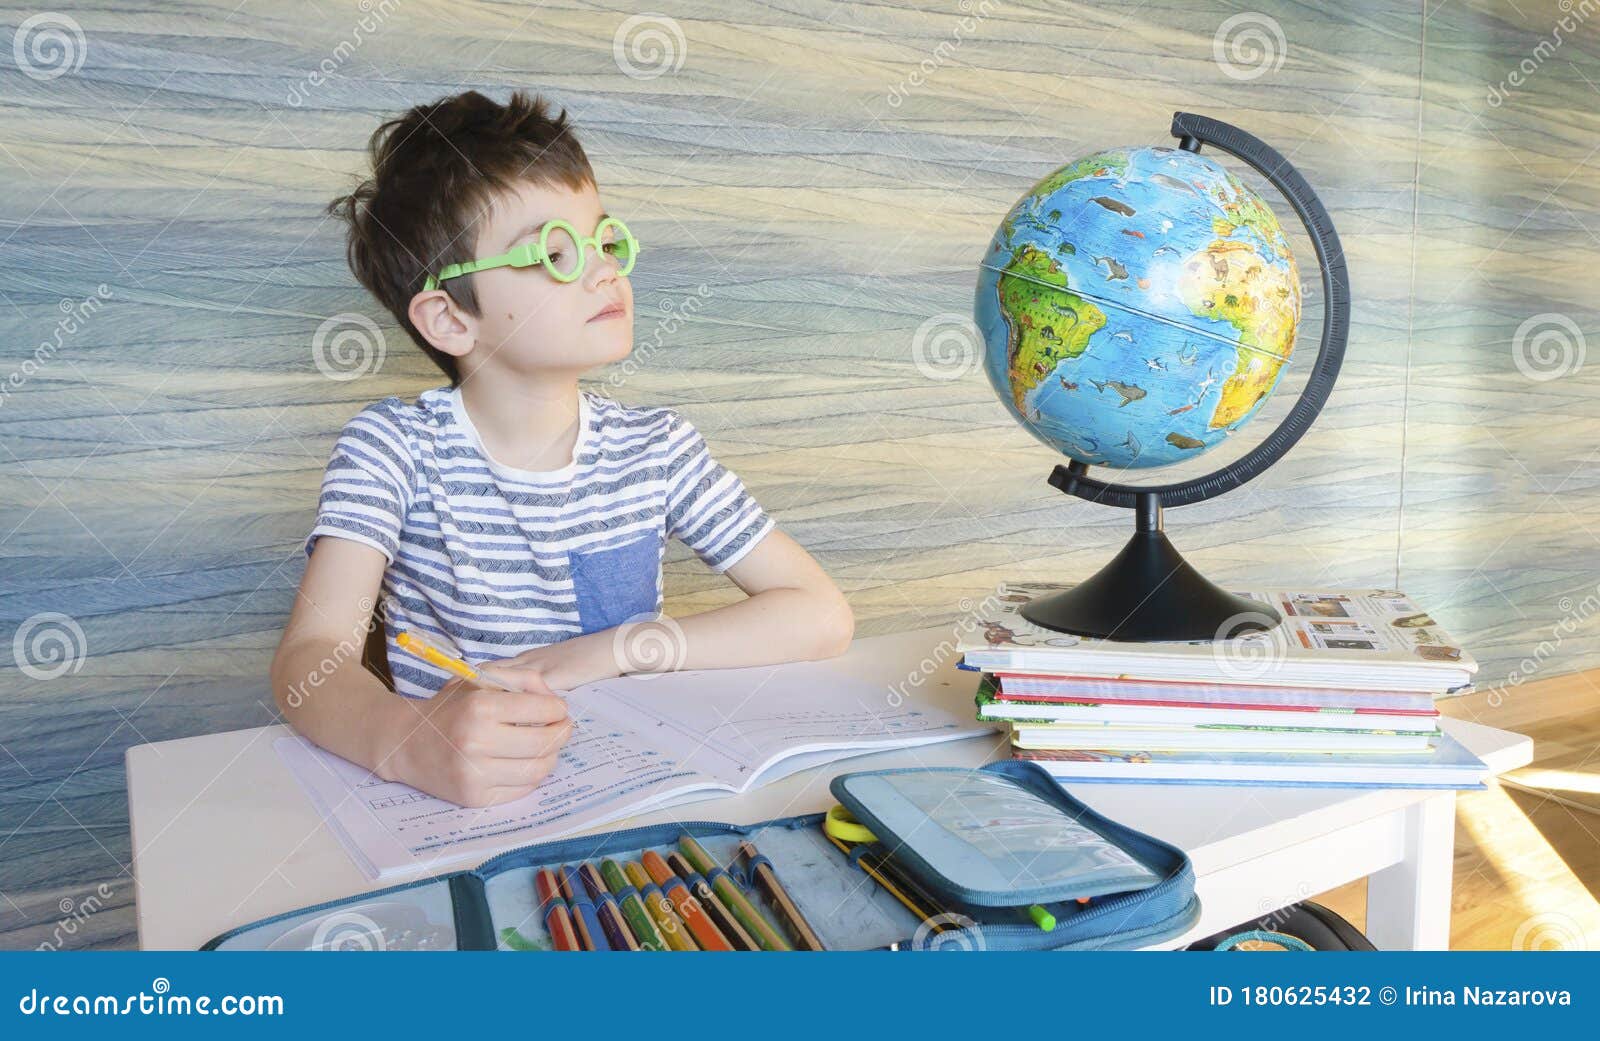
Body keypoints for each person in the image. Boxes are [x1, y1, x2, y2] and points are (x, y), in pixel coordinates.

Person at [271, 90, 853, 808]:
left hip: (631, 786)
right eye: (554, 252)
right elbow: (308, 659)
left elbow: (820, 613)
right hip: (466, 804)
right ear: (450, 318)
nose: (606, 268)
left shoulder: (658, 448)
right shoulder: (392, 449)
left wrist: (606, 653)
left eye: (606, 240)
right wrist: (408, 739)